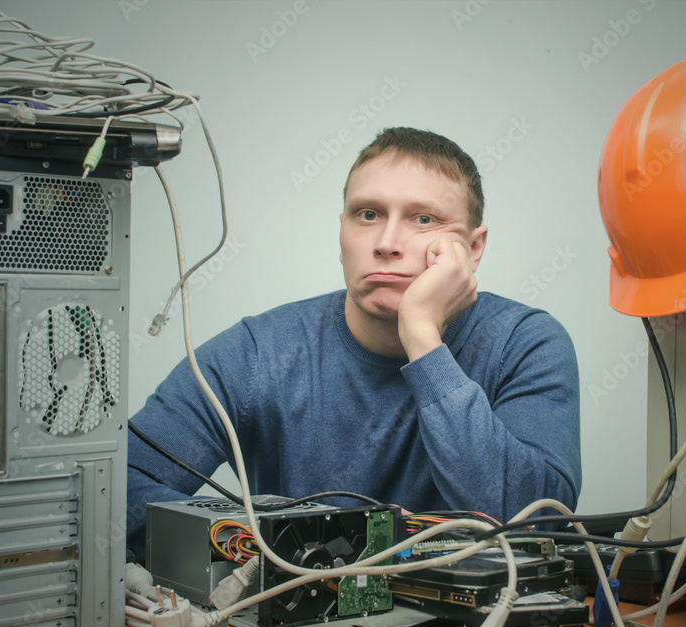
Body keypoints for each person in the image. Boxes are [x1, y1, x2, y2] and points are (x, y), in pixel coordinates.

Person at [126, 127, 580, 561]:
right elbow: (117, 489)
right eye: (368, 215)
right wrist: (265, 554)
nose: (386, 242)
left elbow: (536, 522)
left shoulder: (523, 343)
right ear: (342, 234)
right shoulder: (257, 353)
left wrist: (424, 339)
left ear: (473, 248)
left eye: (423, 219)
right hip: (295, 608)